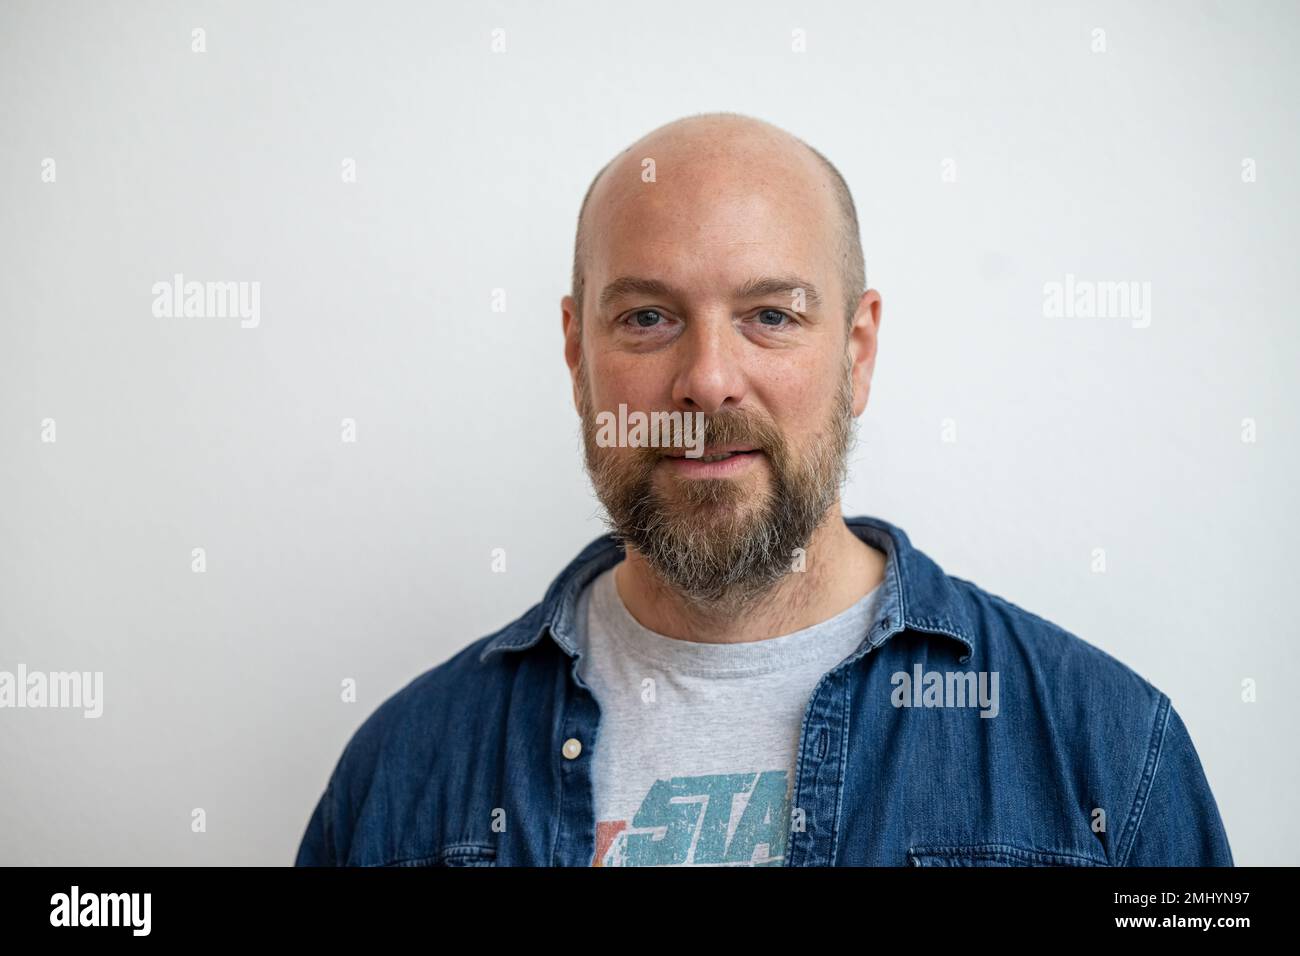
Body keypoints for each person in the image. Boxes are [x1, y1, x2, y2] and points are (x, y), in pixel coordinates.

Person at [295, 112, 1232, 867]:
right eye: (649, 317)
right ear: (577, 351)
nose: (708, 379)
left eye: (771, 315)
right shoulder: (401, 773)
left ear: (857, 354)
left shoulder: (1105, 751)